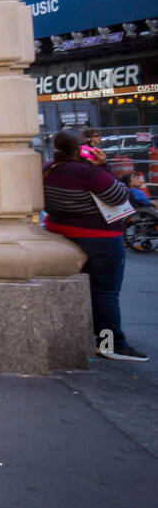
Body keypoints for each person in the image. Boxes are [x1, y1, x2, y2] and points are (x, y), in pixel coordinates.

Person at [42, 128, 148, 361]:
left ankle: (84, 338)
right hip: (100, 238)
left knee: (88, 293)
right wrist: (103, 166)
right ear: (82, 148)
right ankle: (111, 344)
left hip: (60, 232)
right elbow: (120, 196)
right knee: (106, 295)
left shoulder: (48, 169)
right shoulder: (88, 172)